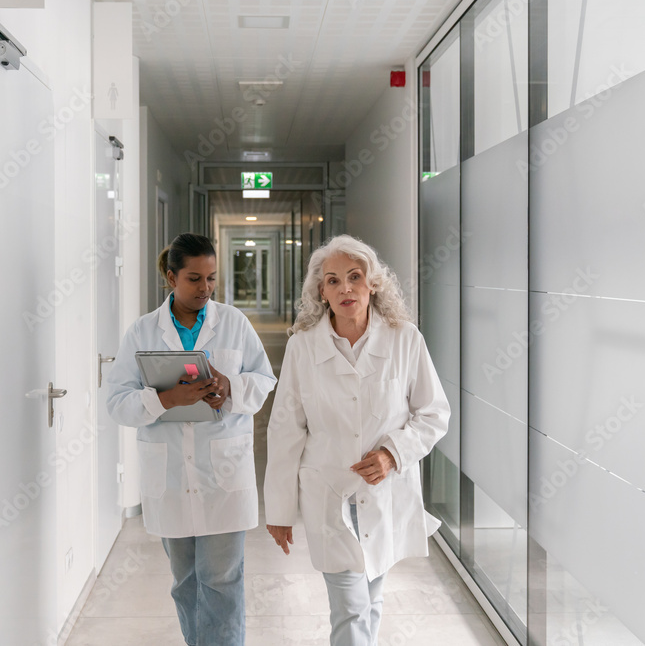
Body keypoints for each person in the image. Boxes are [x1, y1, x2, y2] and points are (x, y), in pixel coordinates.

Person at [264, 235, 449, 646]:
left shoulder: (405, 339)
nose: (345, 288)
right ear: (321, 291)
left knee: (370, 598)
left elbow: (434, 413)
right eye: (333, 280)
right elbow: (285, 429)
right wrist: (279, 509)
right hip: (329, 492)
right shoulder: (302, 346)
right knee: (350, 607)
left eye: (355, 277)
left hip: (383, 492)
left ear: (374, 284)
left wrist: (392, 454)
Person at [105, 233, 276, 646]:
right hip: (170, 475)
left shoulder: (233, 322)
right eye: (194, 279)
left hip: (224, 473)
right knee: (185, 583)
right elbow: (117, 403)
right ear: (171, 277)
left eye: (212, 278)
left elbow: (264, 379)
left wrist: (230, 387)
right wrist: (164, 399)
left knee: (221, 581)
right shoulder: (143, 331)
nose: (205, 288)